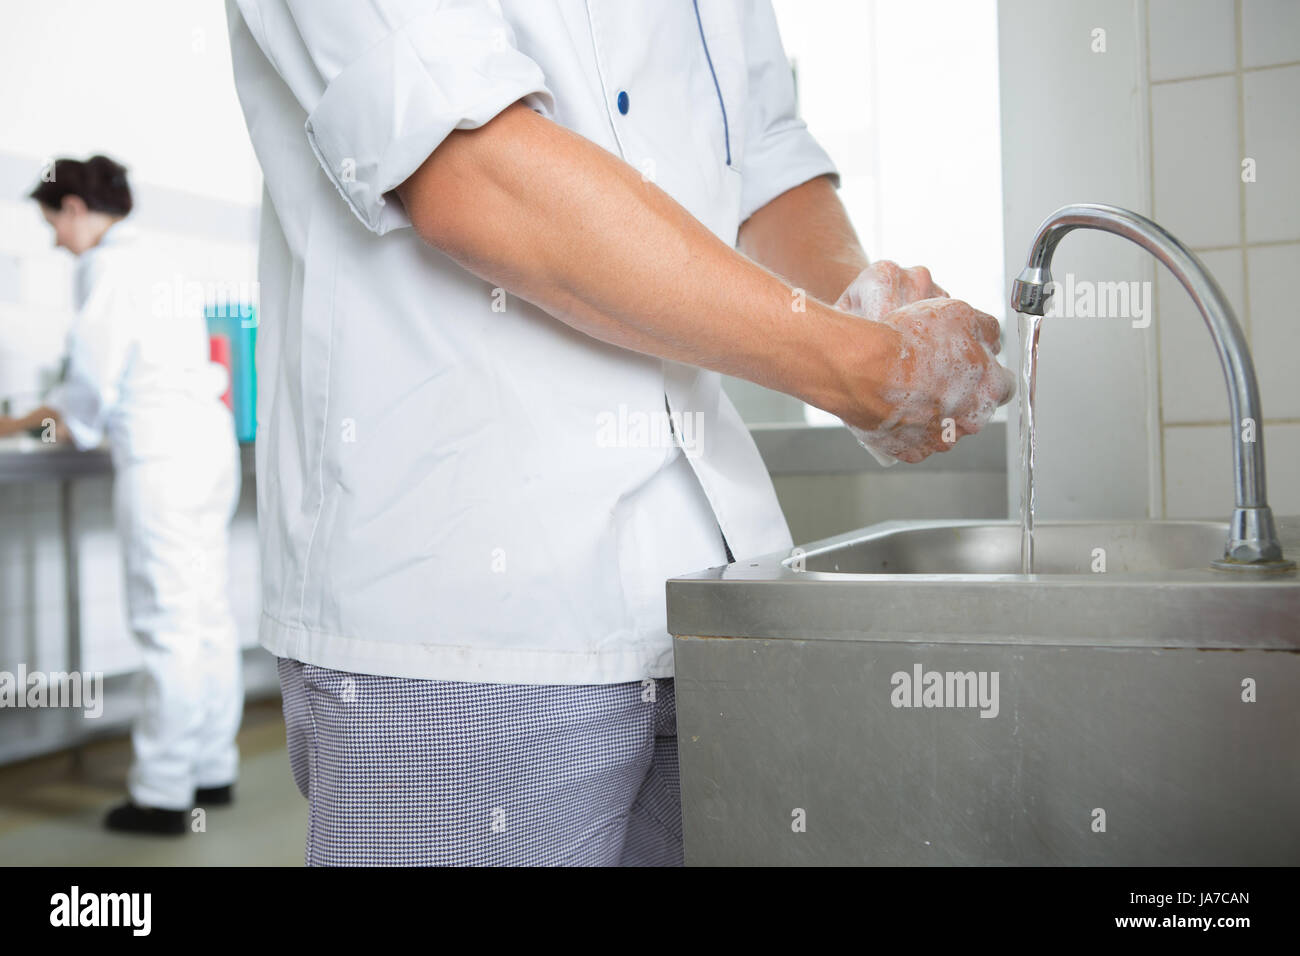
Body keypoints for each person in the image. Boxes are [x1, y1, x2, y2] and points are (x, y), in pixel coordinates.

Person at [224, 0, 1015, 865]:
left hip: (710, 582)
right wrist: (854, 364)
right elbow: (472, 169)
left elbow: (768, 165)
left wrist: (869, 316)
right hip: (469, 619)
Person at [0, 155, 244, 835]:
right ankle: (210, 770)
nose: (54, 240)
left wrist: (14, 423)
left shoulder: (104, 269)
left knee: (167, 623)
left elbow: (83, 403)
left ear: (76, 208)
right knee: (206, 616)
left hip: (164, 460)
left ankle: (165, 795)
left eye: (54, 224)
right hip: (207, 448)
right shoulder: (162, 260)